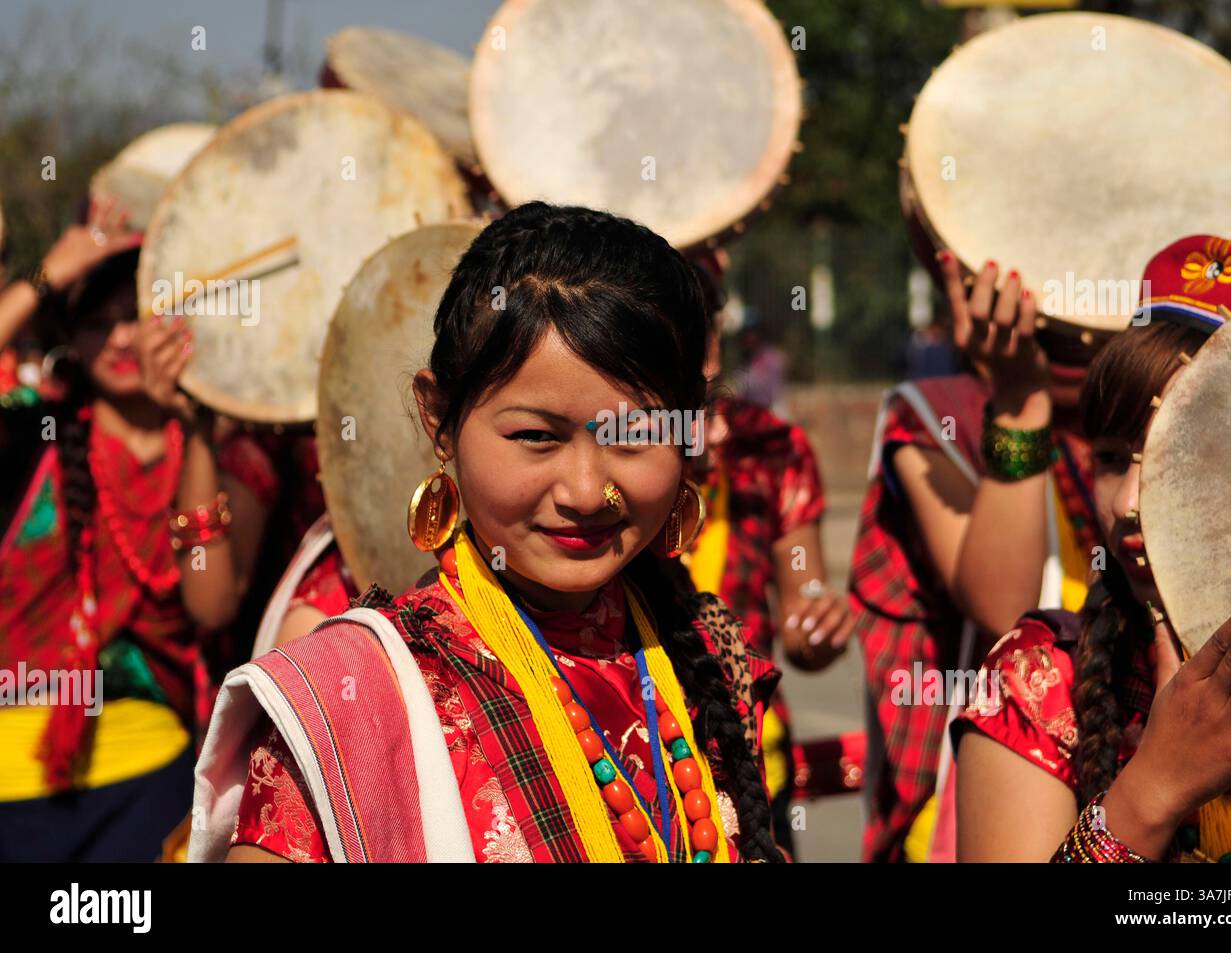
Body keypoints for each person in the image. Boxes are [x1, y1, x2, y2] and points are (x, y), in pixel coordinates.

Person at [191, 202, 786, 863]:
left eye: (636, 434)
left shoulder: (702, 653)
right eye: (536, 436)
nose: (586, 491)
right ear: (440, 418)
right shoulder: (352, 702)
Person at [954, 235, 1231, 862]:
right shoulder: (1039, 682)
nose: (1130, 503)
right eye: (1113, 458)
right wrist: (1152, 790)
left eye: (1182, 456)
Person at [0, 199, 268, 860]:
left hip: (151, 790)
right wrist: (42, 279)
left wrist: (200, 432)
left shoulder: (228, 450)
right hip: (12, 788)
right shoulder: (30, 435)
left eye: (136, 318)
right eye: (97, 322)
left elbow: (211, 605)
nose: (120, 339)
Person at [848, 254, 1108, 862]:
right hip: (981, 812)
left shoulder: (1155, 409)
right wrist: (1020, 400)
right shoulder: (936, 412)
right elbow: (1003, 604)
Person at [682, 253, 859, 853]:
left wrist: (815, 617)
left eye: (702, 328)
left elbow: (801, 593)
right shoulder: (607, 450)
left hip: (754, 761)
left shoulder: (771, 448)